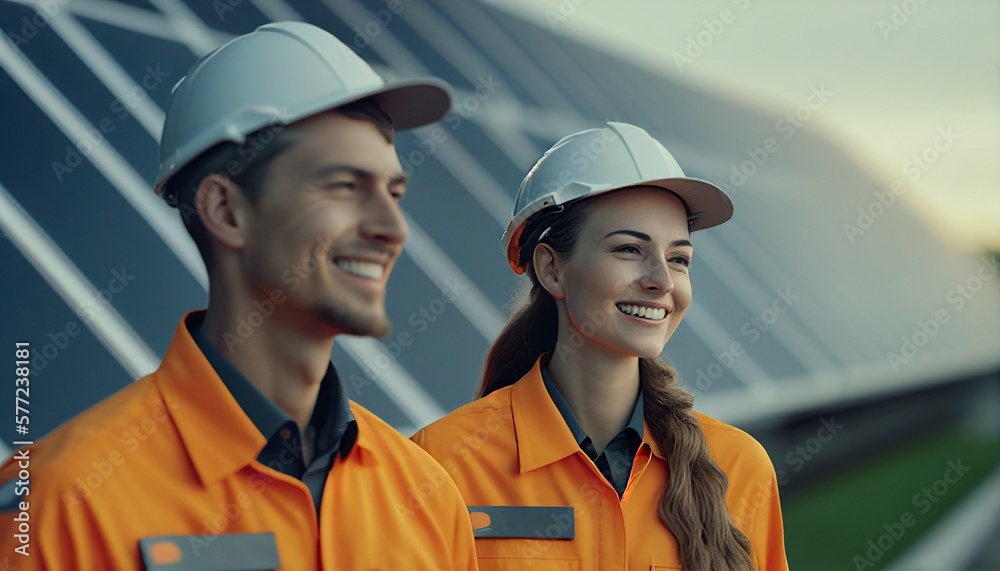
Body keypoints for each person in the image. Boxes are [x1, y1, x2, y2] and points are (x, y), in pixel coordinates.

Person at [0, 22, 478, 570]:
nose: (393, 228)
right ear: (226, 210)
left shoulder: (428, 496)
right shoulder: (55, 505)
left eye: (393, 191)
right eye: (345, 186)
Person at [413, 122, 788, 570]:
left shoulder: (740, 467)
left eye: (679, 259)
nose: (662, 281)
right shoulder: (441, 462)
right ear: (552, 269)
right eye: (629, 249)